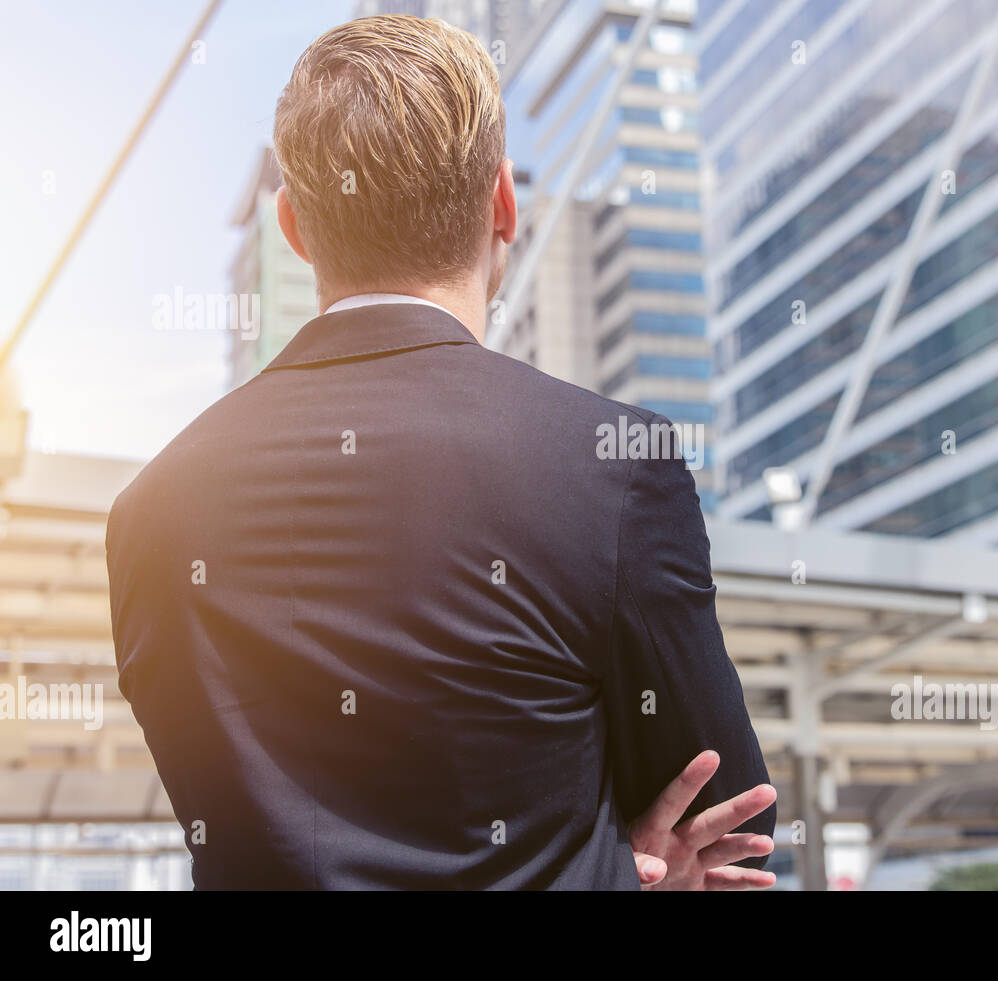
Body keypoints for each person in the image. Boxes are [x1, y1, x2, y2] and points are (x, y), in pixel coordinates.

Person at [106, 14, 776, 890]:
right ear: (504, 201)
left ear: (295, 227)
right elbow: (724, 814)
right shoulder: (615, 465)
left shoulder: (150, 510)